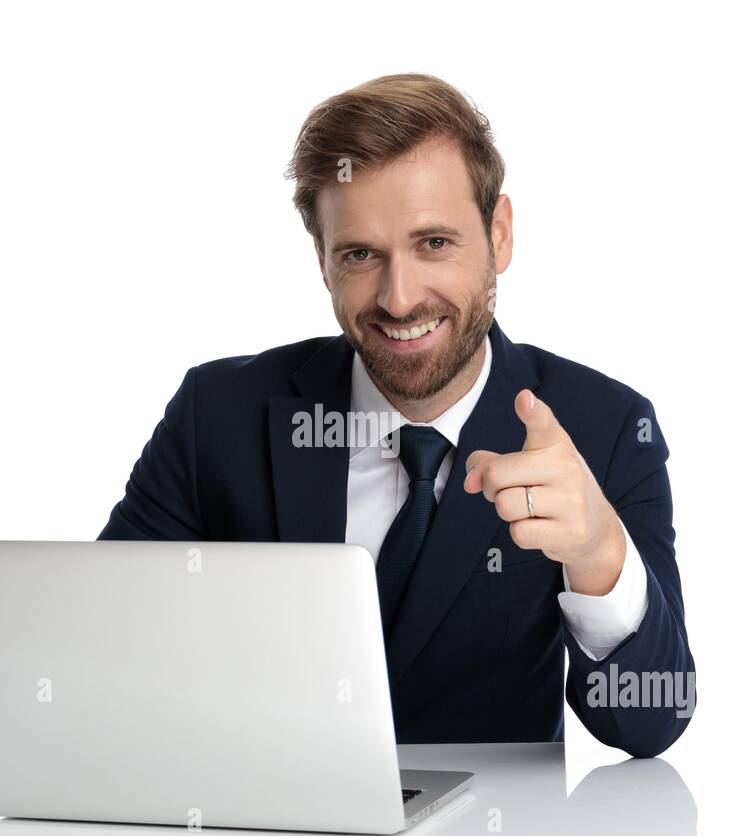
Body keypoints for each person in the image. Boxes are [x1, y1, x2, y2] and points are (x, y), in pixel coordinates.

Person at [99, 73, 695, 757]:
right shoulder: (217, 417)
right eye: (360, 255)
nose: (400, 297)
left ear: (499, 235)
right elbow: (103, 649)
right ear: (322, 260)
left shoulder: (606, 429)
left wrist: (597, 552)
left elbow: (651, 725)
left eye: (434, 243)